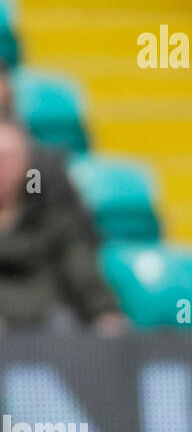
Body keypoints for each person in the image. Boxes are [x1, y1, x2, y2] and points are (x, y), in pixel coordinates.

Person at [0, 112, 125, 332]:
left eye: (8, 157)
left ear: (25, 161)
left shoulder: (53, 214)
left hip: (49, 323)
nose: (2, 167)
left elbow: (79, 266)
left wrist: (104, 312)